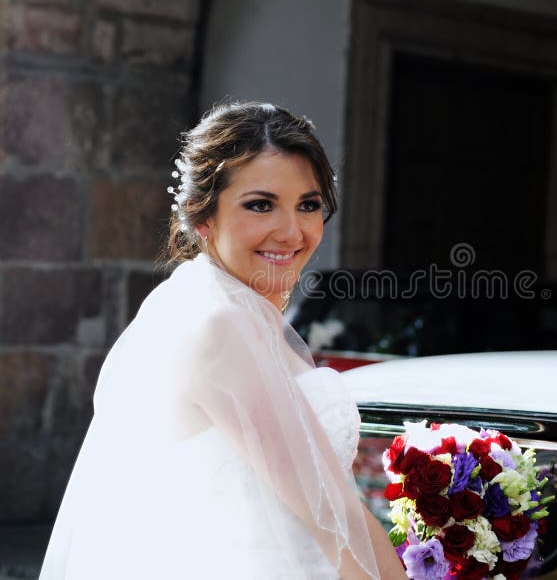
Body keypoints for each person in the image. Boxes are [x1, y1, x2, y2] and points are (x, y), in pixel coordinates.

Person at [39, 102, 406, 579]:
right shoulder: (219, 326)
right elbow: (334, 524)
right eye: (261, 204)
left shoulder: (229, 312)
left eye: (308, 205)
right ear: (202, 217)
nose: (292, 231)